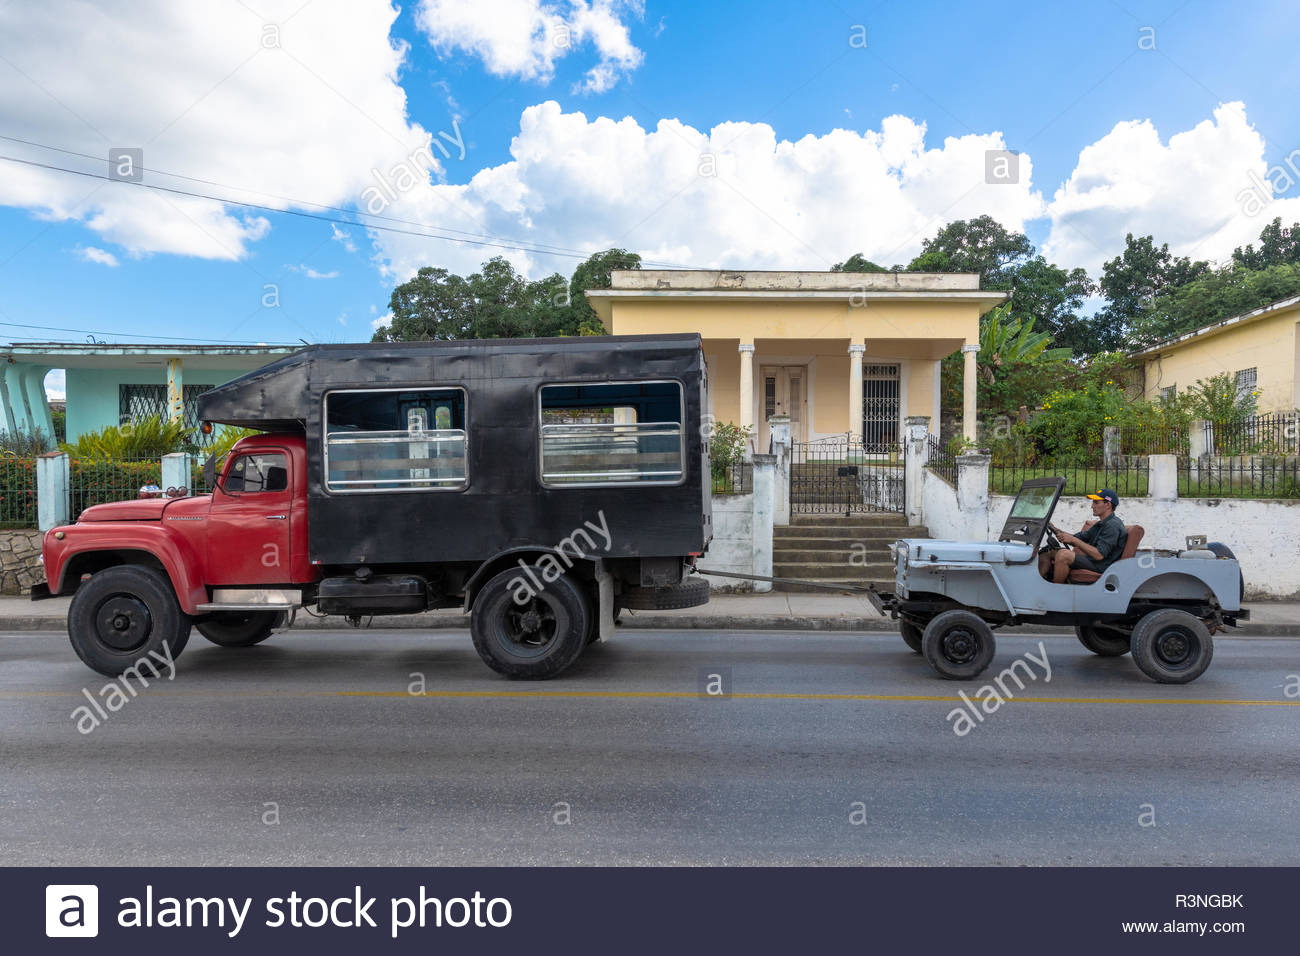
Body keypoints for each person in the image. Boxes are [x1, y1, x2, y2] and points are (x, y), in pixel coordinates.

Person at [1039, 489, 1126, 584]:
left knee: (1063, 555)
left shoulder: (1112, 525)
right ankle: (1040, 583)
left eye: (1096, 502)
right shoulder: (1100, 524)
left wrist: (1074, 541)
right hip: (1092, 561)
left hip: (1102, 565)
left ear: (1108, 505)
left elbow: (1099, 555)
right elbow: (1078, 537)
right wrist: (1053, 527)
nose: (1092, 506)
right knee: (1048, 552)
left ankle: (1055, 591)